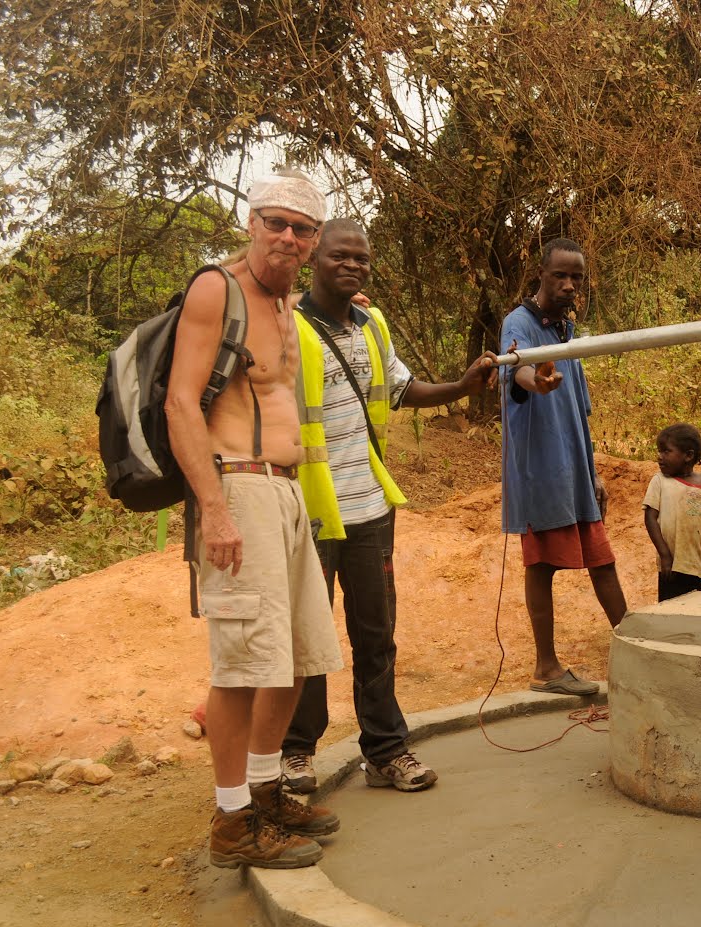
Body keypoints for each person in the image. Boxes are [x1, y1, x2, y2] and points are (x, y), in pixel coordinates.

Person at [164, 169, 343, 870]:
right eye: (275, 222)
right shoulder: (219, 288)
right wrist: (213, 508)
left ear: (314, 241)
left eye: (301, 228)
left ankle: (266, 790)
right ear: (251, 221)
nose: (286, 236)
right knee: (241, 664)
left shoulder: (284, 306)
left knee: (295, 655)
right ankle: (233, 819)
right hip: (235, 487)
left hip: (285, 492)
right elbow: (184, 403)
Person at [280, 219, 497, 795]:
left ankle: (385, 750)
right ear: (313, 259)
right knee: (307, 635)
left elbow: (400, 391)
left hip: (371, 509)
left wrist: (462, 386)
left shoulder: (372, 324)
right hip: (307, 512)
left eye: (362, 260)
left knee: (376, 633)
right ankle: (297, 751)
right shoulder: (285, 325)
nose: (353, 267)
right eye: (339, 257)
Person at [500, 238, 628, 695]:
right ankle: (547, 667)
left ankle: (636, 650)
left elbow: (579, 408)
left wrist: (592, 471)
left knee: (602, 559)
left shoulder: (565, 330)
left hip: (573, 464)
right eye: (561, 275)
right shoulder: (520, 323)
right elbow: (516, 369)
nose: (569, 284)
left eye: (576, 277)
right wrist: (537, 381)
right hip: (539, 467)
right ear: (541, 272)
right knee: (540, 565)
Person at [644, 422, 701, 601]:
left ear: (688, 455)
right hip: (671, 566)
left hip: (699, 565)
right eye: (659, 451)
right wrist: (665, 555)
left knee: (700, 612)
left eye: (666, 451)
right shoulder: (659, 481)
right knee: (671, 615)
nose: (660, 457)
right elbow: (650, 518)